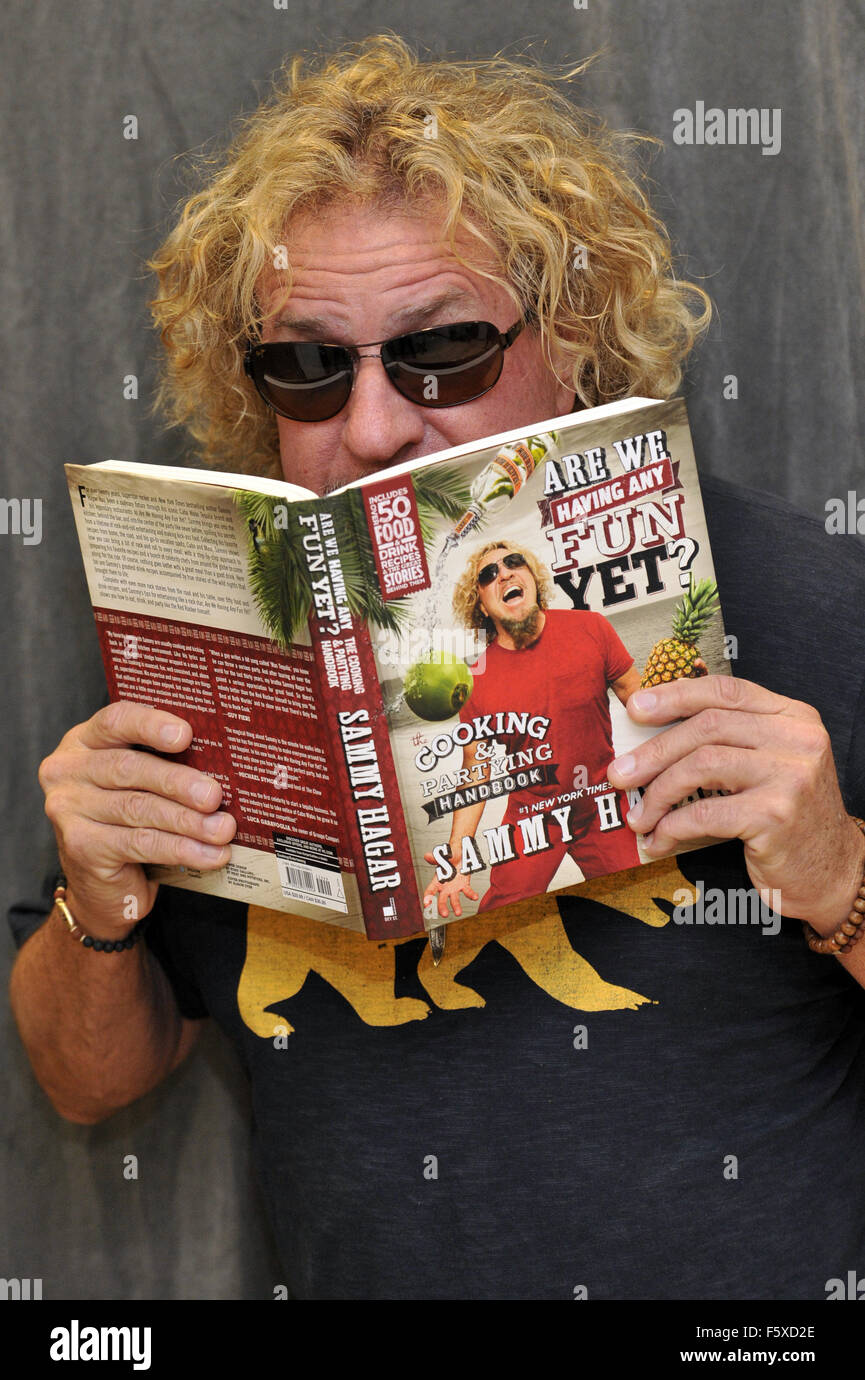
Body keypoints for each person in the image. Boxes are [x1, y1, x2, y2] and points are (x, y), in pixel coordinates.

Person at [9, 35, 865, 1300]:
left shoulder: (804, 597)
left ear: (571, 336)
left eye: (442, 350)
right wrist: (98, 897)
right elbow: (87, 1081)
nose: (370, 425)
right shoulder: (227, 636)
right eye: (305, 366)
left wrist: (841, 879)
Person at [422, 541, 642, 917]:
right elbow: (478, 773)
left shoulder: (592, 629)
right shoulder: (476, 683)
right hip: (534, 817)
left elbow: (640, 700)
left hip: (602, 804)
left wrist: (683, 689)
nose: (503, 572)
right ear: (480, 603)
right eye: (488, 574)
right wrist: (457, 852)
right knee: (501, 921)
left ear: (532, 577)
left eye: (512, 562)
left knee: (635, 906)